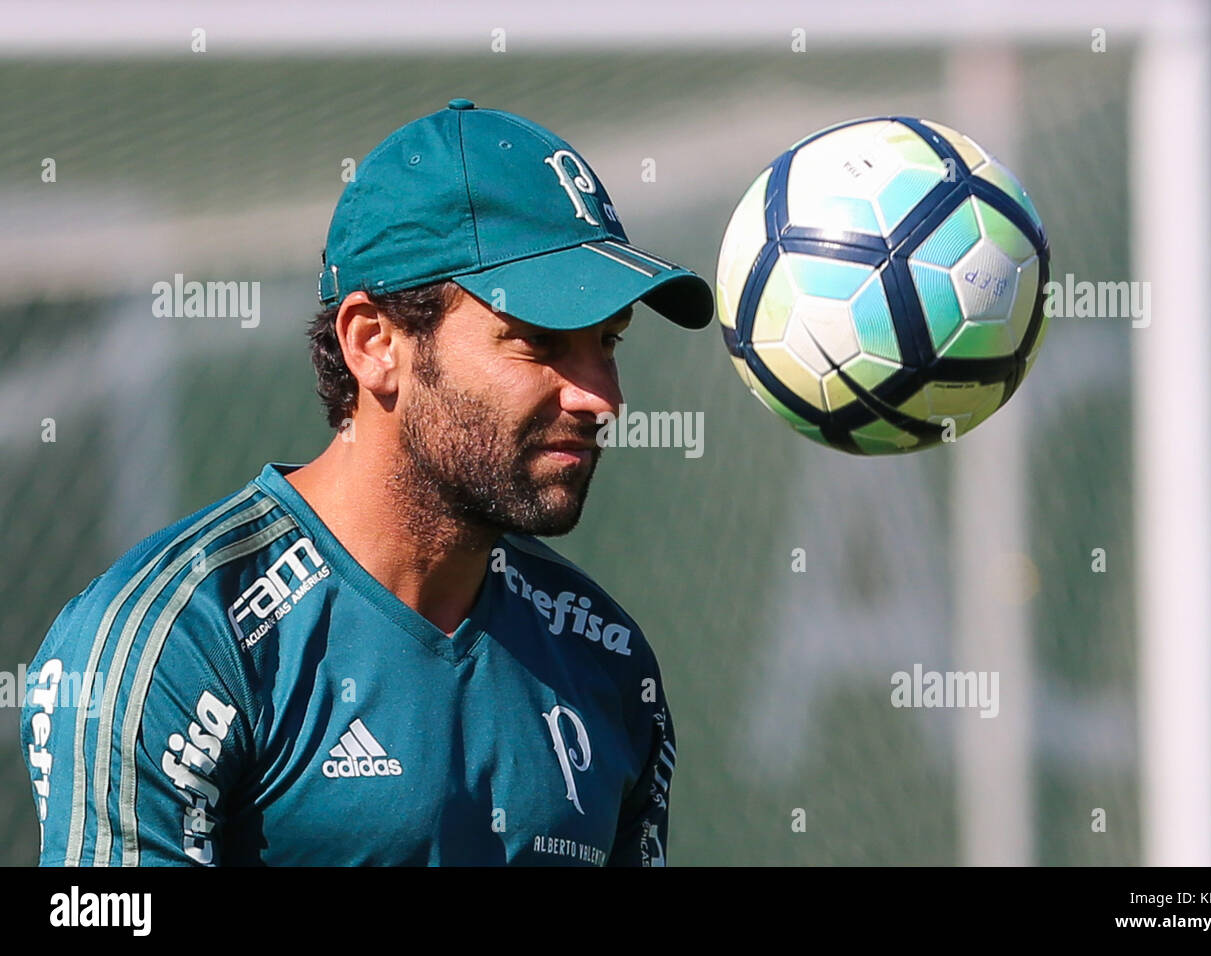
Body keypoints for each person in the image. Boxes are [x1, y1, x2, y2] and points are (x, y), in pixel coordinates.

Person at [20, 98, 713, 866]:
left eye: (607, 343)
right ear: (374, 343)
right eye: (539, 342)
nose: (601, 396)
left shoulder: (607, 661)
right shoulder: (183, 646)